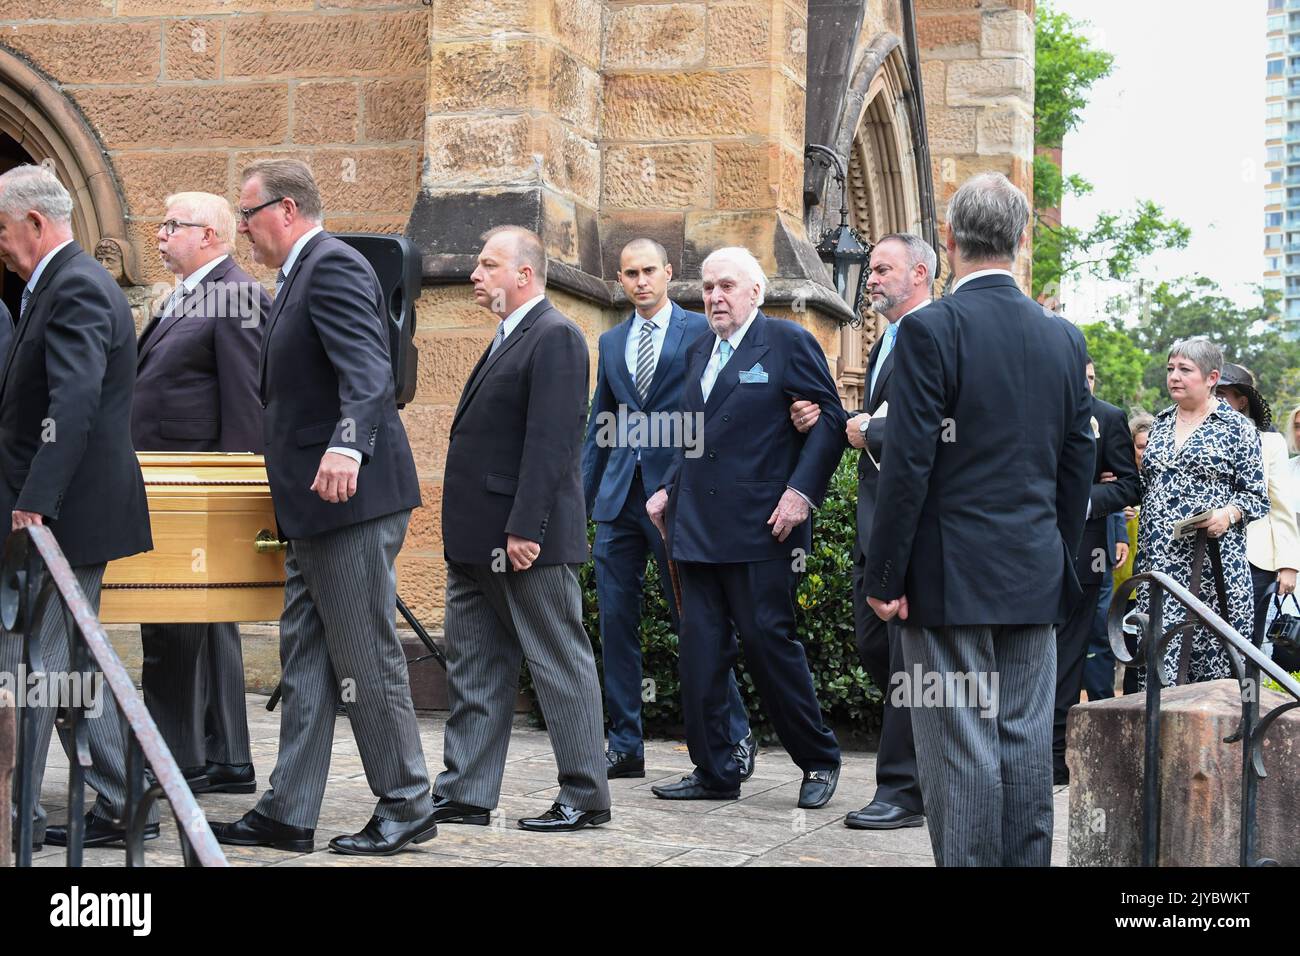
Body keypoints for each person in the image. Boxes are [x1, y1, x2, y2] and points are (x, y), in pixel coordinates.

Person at [863, 172, 1095, 866]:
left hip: (949, 577)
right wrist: (1052, 551)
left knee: (960, 741)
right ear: (1022, 240)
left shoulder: (931, 329)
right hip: (1033, 571)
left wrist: (885, 574)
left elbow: (908, 463)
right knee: (1024, 739)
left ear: (950, 240)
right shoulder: (1064, 339)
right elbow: (1076, 466)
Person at [212, 159, 436, 856]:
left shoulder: (331, 265)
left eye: (246, 215)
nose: (242, 229)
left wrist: (348, 446)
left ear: (284, 209)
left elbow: (369, 372)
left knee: (365, 655)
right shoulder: (297, 275)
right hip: (314, 508)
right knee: (306, 658)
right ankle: (288, 809)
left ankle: (406, 802)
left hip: (350, 499)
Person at [647, 246, 846, 809]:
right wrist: (665, 487)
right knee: (700, 653)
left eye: (727, 286)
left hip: (765, 530)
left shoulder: (787, 343)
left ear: (755, 292)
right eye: (708, 287)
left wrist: (801, 494)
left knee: (767, 646)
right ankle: (714, 769)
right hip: (696, 530)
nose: (714, 296)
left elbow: (830, 420)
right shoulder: (695, 351)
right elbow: (690, 431)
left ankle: (818, 759)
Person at [434, 225, 611, 833]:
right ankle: (466, 791)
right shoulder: (507, 337)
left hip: (523, 541)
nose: (475, 276)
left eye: (488, 265)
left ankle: (585, 795)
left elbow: (554, 443)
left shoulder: (556, 336)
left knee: (559, 661)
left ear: (524, 275)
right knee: (477, 665)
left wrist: (526, 527)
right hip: (475, 540)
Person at [0, 164, 153, 847]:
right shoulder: (54, 285)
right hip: (60, 510)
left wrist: (34, 503)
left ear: (35, 223)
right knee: (72, 666)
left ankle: (16, 815)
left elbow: (74, 404)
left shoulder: (76, 288)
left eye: (1, 228)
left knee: (39, 668)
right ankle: (124, 800)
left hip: (65, 517)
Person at [582, 238, 755, 781]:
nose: (639, 281)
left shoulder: (700, 330)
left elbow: (717, 416)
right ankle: (625, 744)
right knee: (616, 622)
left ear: (667, 273)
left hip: (676, 499)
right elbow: (599, 427)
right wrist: (583, 502)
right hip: (618, 498)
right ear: (621, 279)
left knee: (696, 620)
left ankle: (735, 734)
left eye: (648, 271)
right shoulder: (611, 342)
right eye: (629, 273)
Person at [793, 233, 935, 829]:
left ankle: (903, 791)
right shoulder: (886, 341)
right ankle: (935, 750)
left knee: (907, 662)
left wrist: (870, 433)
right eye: (870, 269)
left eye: (882, 269)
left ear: (921, 274)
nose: (870, 278)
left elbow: (929, 430)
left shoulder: (936, 334)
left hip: (913, 529)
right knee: (875, 646)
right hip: (872, 524)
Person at [134, 191, 266, 796]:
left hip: (200, 488)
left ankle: (189, 757)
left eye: (171, 225)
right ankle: (225, 758)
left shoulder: (235, 293)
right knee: (205, 621)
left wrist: (235, 490)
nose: (159, 235)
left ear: (210, 235)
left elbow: (245, 403)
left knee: (186, 618)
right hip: (170, 480)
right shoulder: (189, 293)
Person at [1133, 339, 1269, 686]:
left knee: (1215, 671)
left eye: (1184, 370)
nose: (1174, 377)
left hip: (1212, 567)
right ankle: (1157, 740)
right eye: (1170, 369)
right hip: (1159, 565)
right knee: (1160, 664)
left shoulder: (1238, 428)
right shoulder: (1160, 424)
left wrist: (1229, 514)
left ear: (1211, 377)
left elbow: (1257, 497)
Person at [1051, 357, 1139, 784]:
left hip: (1085, 555)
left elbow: (1128, 484)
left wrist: (1087, 498)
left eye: (1089, 377)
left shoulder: (1109, 417)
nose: (1083, 384)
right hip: (1022, 551)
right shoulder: (1034, 408)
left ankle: (1054, 756)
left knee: (1071, 655)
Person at [1215, 364, 1299, 646]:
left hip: (1255, 560)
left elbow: (1282, 506)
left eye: (1224, 393)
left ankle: (1245, 693)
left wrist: (1288, 564)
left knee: (1245, 644)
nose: (1217, 399)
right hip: (1208, 554)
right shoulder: (1198, 440)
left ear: (1243, 401)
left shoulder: (1271, 443)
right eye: (1213, 392)